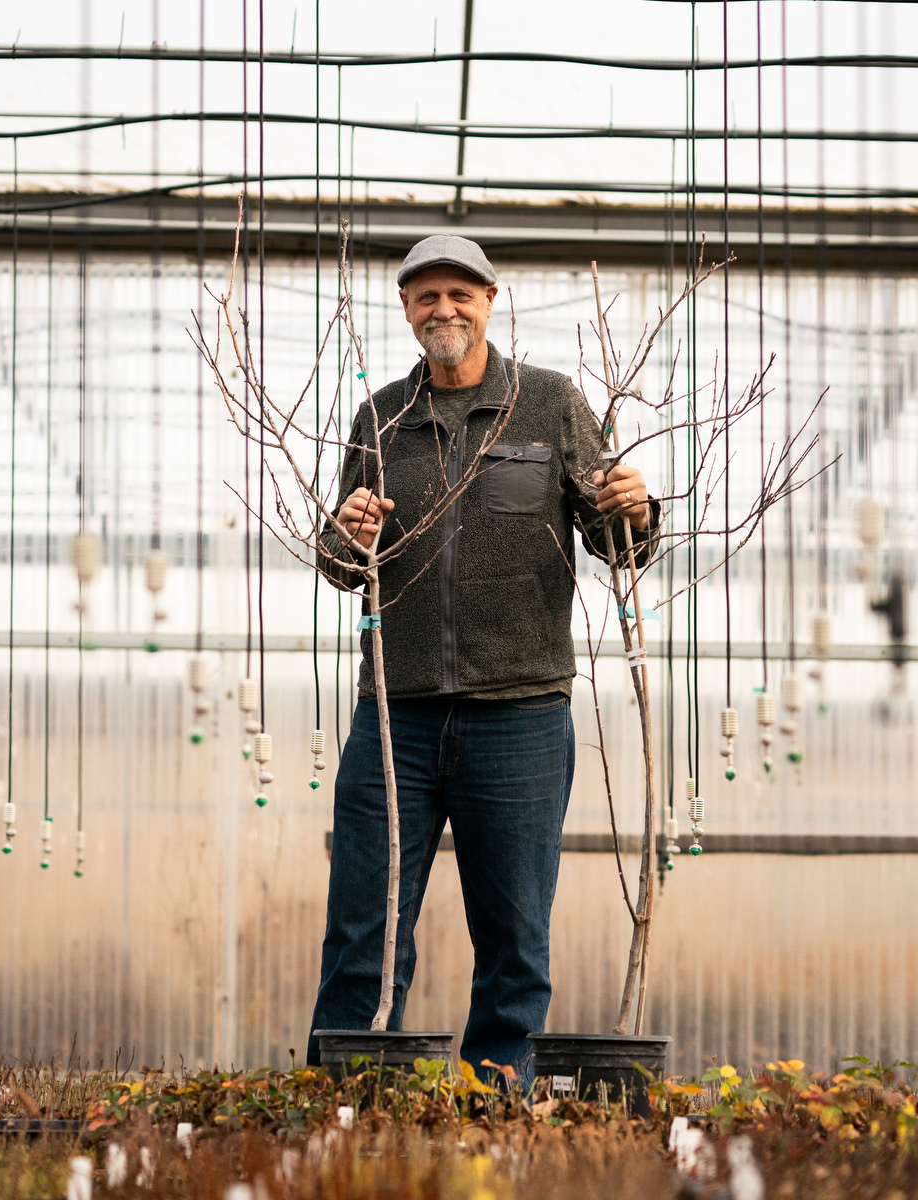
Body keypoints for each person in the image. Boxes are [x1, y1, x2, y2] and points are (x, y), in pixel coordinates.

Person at [307, 234, 658, 1075]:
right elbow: (344, 563)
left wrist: (636, 512)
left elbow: (615, 539)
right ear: (406, 312)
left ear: (492, 301)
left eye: (460, 294)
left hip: (522, 717)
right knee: (366, 926)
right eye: (426, 296)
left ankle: (495, 1106)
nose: (444, 309)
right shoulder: (382, 418)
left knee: (513, 935)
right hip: (400, 714)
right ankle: (349, 1105)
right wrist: (340, 539)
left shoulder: (549, 404)